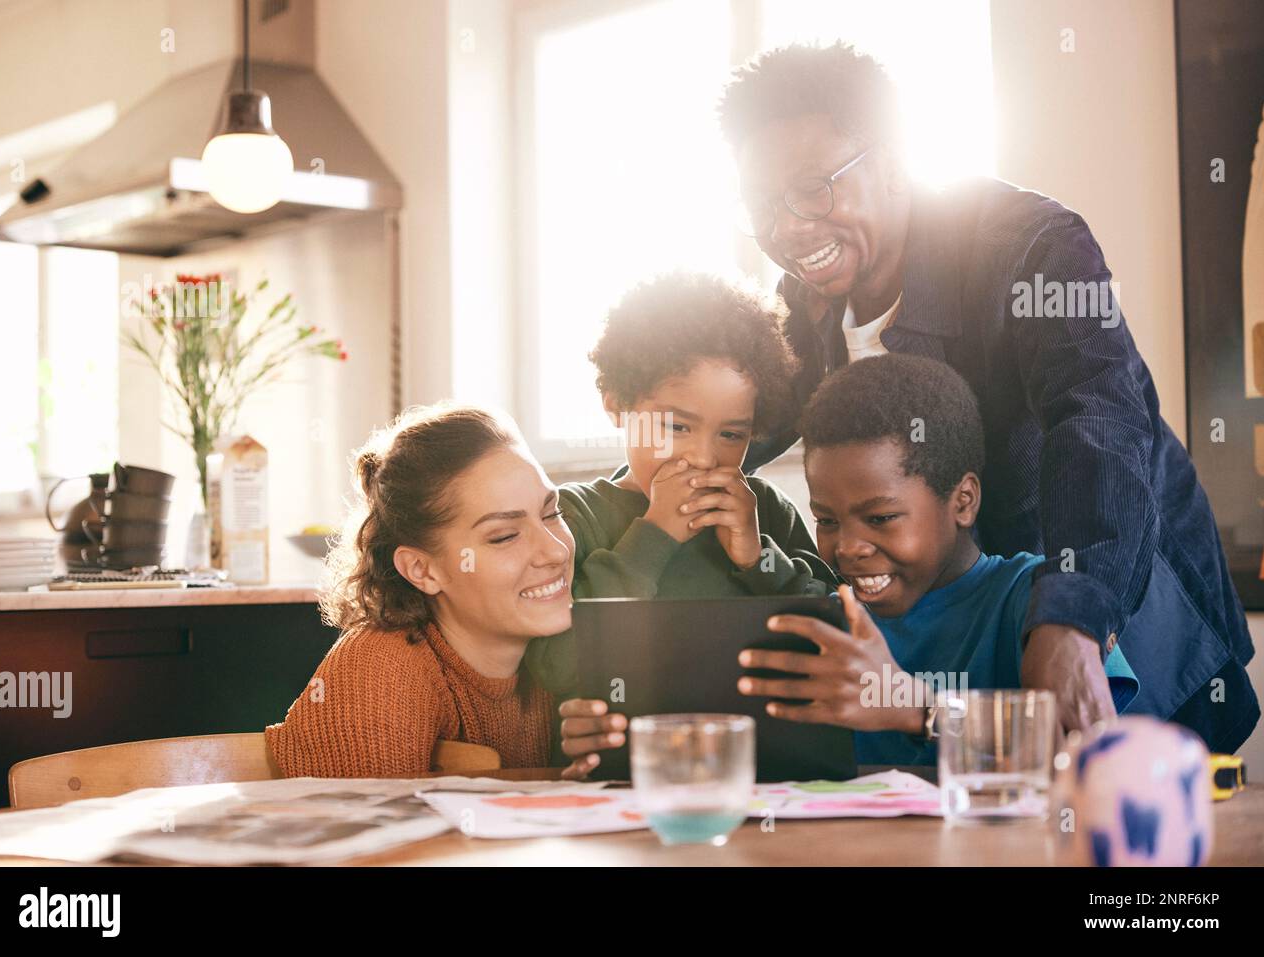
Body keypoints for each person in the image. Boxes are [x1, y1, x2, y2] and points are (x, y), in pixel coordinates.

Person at [713, 41, 1257, 749]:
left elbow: (1099, 420)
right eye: (762, 205)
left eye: (814, 189)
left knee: (1130, 810)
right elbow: (745, 420)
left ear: (896, 160)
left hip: (1112, 614)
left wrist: (1073, 615)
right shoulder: (807, 301)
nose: (786, 228)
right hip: (969, 665)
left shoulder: (1032, 246)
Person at [559, 354, 1139, 774]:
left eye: (882, 518)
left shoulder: (1033, 601)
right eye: (828, 521)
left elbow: (1093, 761)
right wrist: (607, 734)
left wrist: (914, 709)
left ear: (963, 500)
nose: (849, 548)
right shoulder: (822, 612)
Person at [524, 271, 838, 699]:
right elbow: (558, 670)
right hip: (630, 760)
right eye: (676, 426)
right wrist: (653, 538)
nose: (704, 458)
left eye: (732, 435)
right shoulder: (573, 517)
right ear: (617, 404)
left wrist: (757, 558)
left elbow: (833, 650)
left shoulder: (763, 511)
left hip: (766, 760)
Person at [265, 403, 573, 777]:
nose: (555, 550)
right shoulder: (381, 670)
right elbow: (372, 833)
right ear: (422, 569)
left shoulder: (555, 661)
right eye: (504, 536)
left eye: (551, 514)